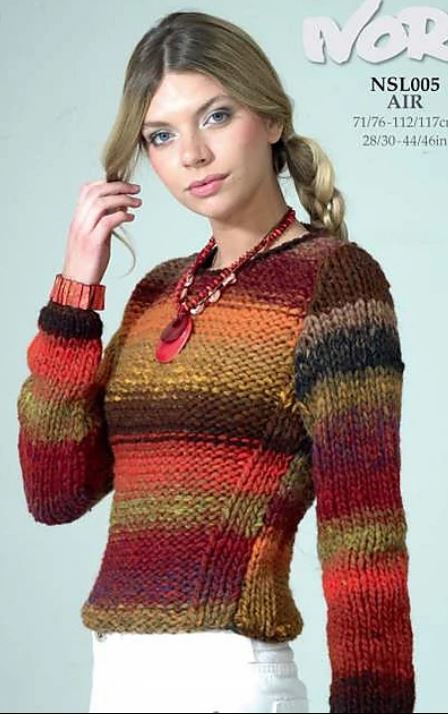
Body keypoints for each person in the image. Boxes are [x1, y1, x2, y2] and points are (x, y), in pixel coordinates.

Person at [16, 10, 415, 715]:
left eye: (216, 115)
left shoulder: (335, 281)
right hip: (115, 679)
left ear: (270, 117)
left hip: (226, 679)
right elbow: (54, 491)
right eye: (162, 135)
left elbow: (364, 530)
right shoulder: (157, 292)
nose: (193, 154)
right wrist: (76, 289)